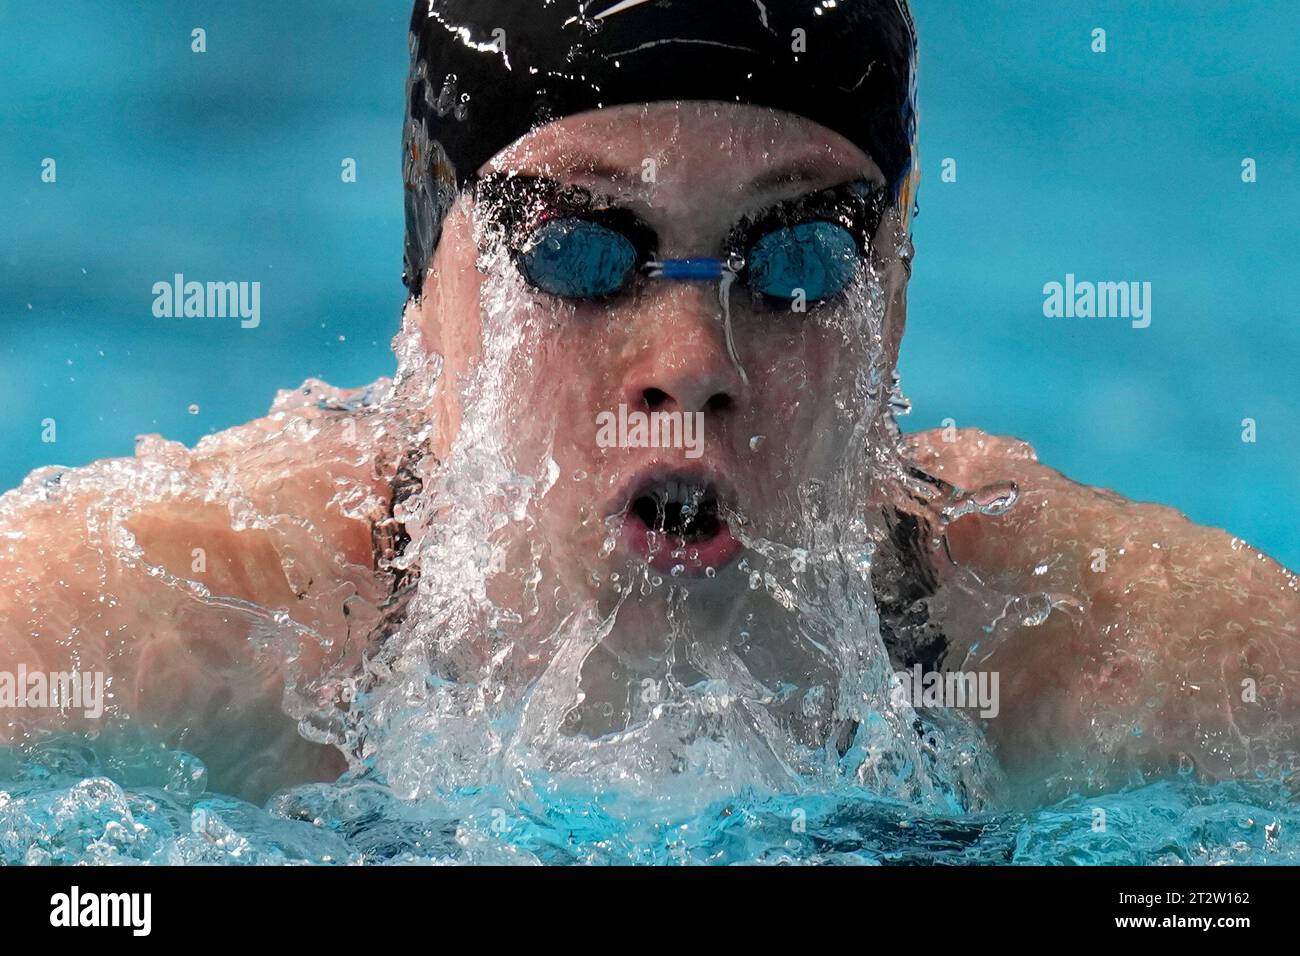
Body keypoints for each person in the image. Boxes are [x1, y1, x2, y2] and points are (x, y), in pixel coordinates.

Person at [0, 0, 1295, 806]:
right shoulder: (218, 621)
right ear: (427, 277)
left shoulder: (1060, 648)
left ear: (890, 294)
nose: (692, 358)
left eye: (797, 260)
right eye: (578, 251)